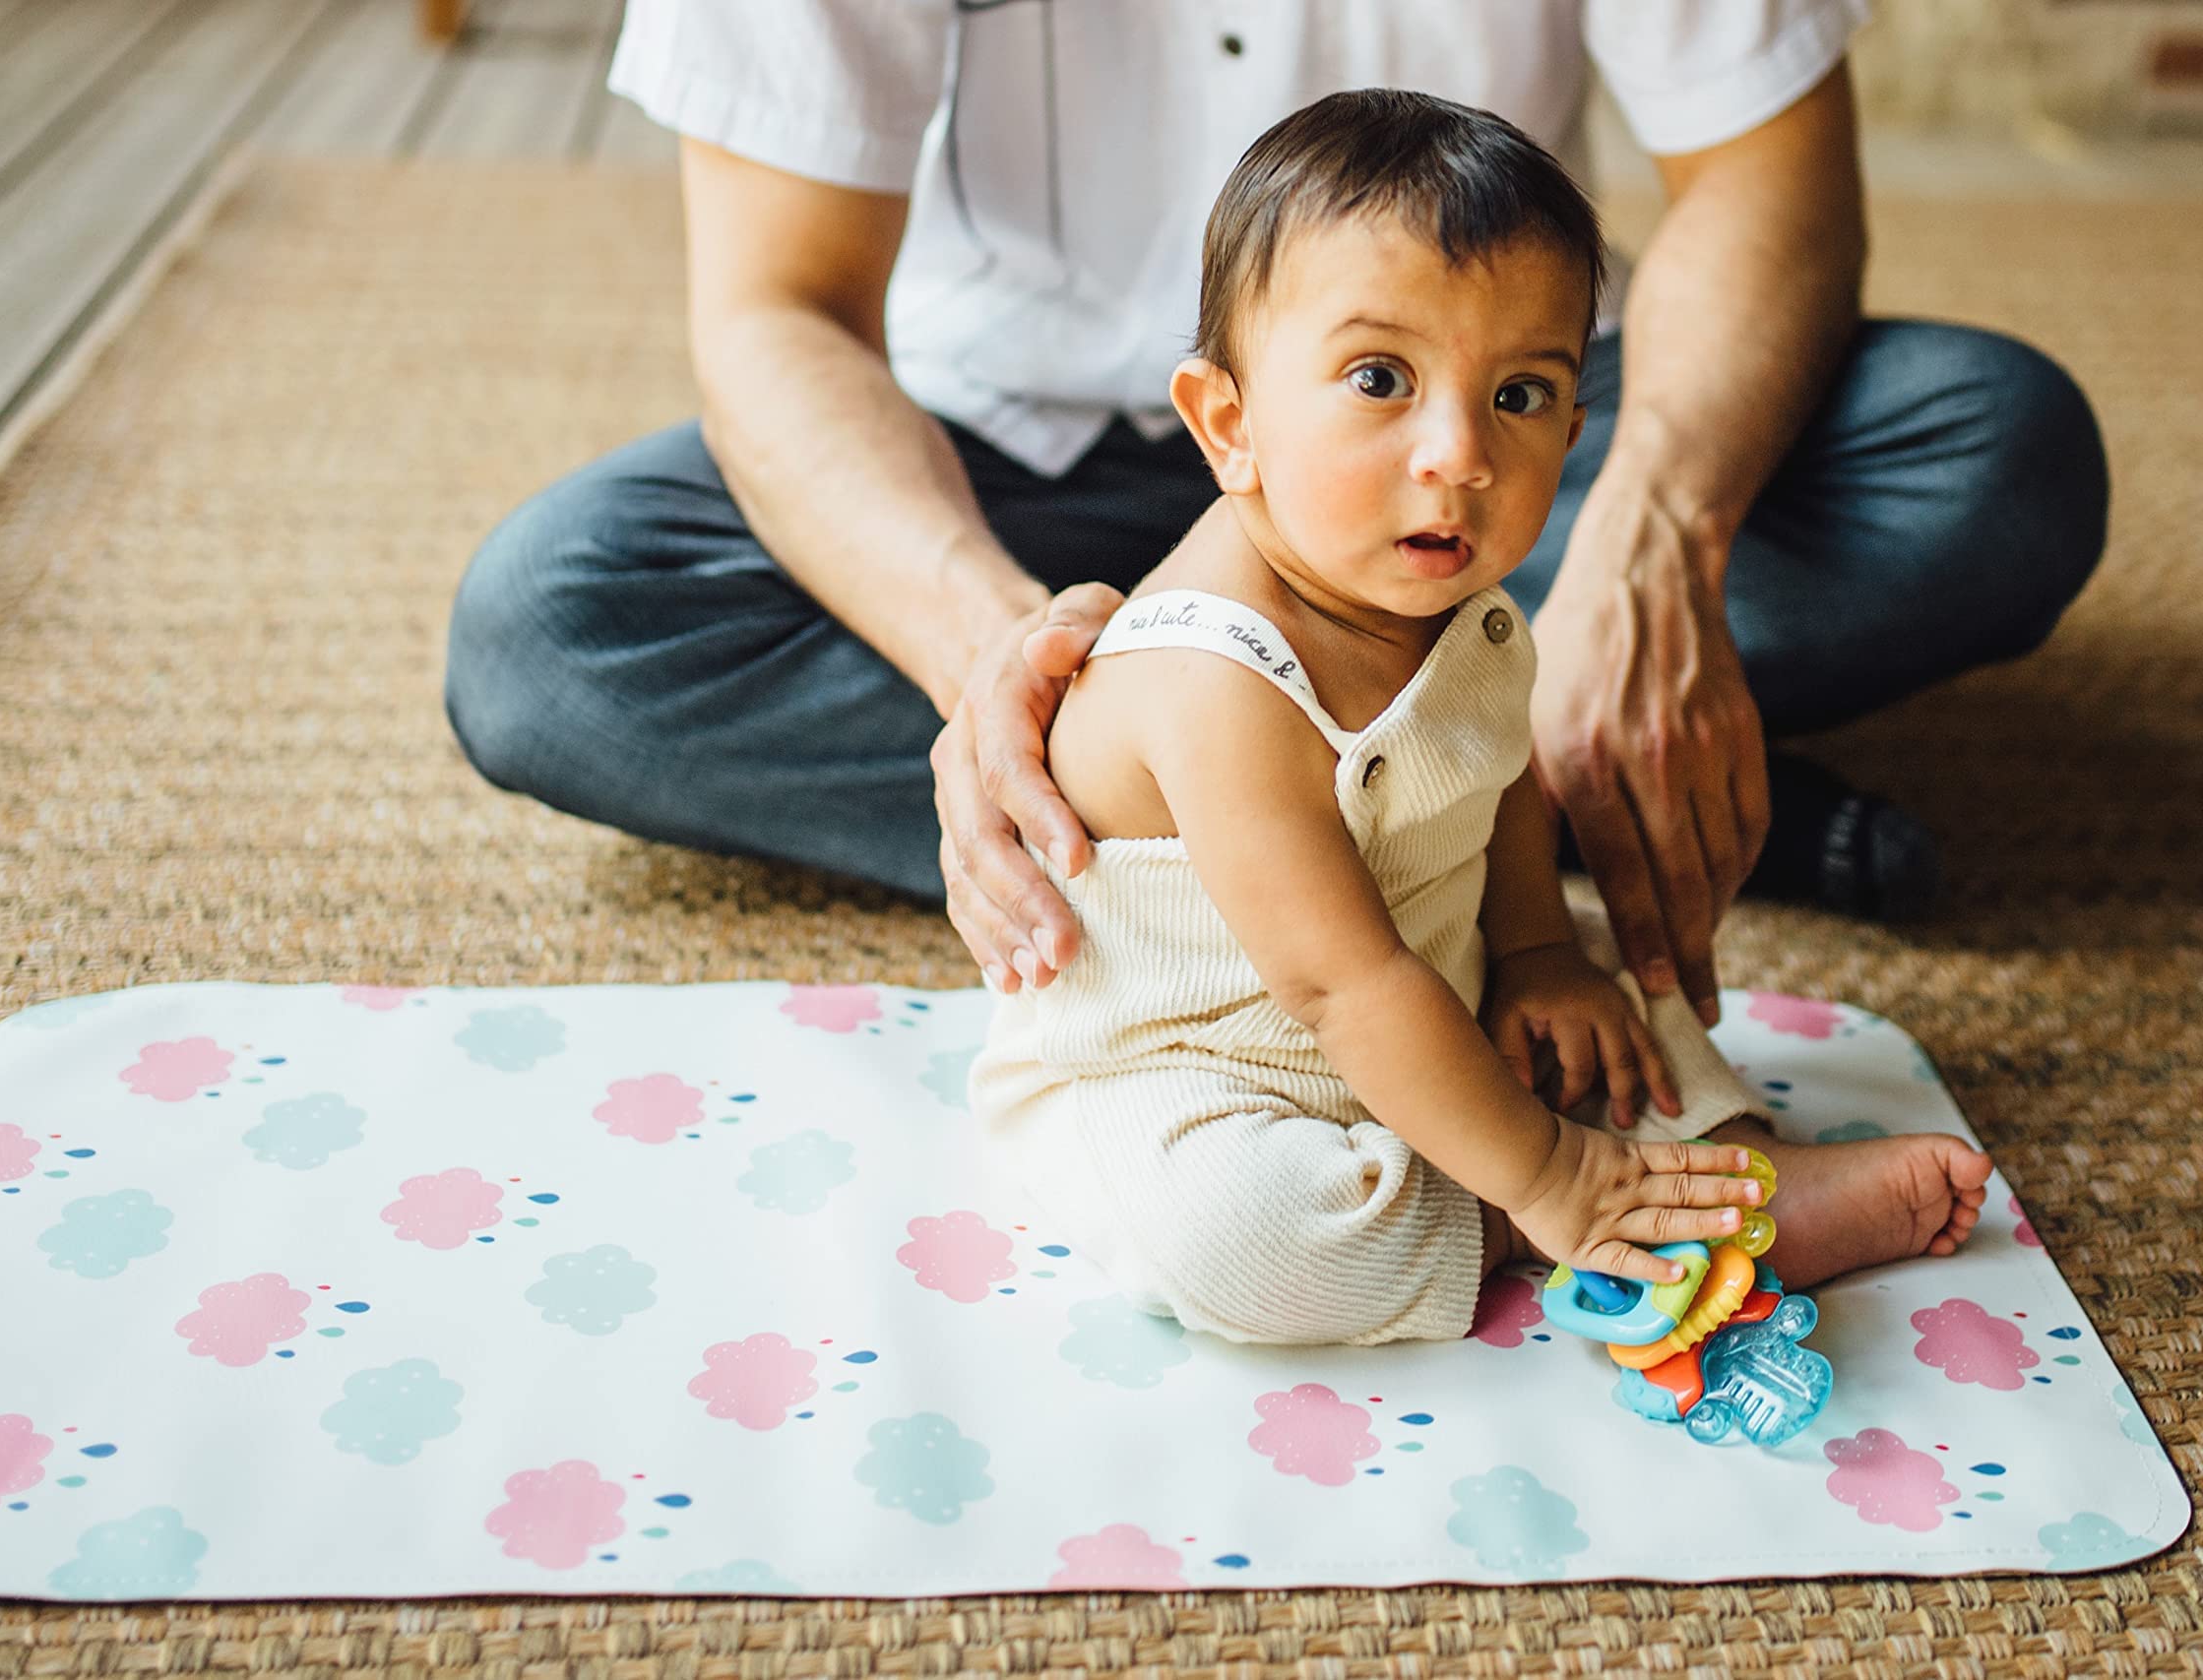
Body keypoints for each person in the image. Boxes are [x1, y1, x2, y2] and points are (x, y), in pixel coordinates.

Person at [442, 2, 2108, 1035]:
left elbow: (1767, 176)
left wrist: (1655, 539)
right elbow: (777, 310)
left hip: (1473, 456)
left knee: (1992, 451)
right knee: (559, 632)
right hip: (1008, 479)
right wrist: (1012, 670)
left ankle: (1510, 747)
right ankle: (1496, 803)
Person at [962, 90, 1990, 1343]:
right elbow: (1336, 983)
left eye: (1519, 394)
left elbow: (1494, 766)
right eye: (1379, 379)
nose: (1457, 453)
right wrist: (1552, 1177)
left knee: (1622, 1009)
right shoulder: (1211, 678)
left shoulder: (1457, 599)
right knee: (1238, 1236)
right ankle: (1548, 1215)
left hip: (1429, 997)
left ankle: (1731, 1161)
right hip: (1200, 1073)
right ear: (1228, 424)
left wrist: (1538, 953)